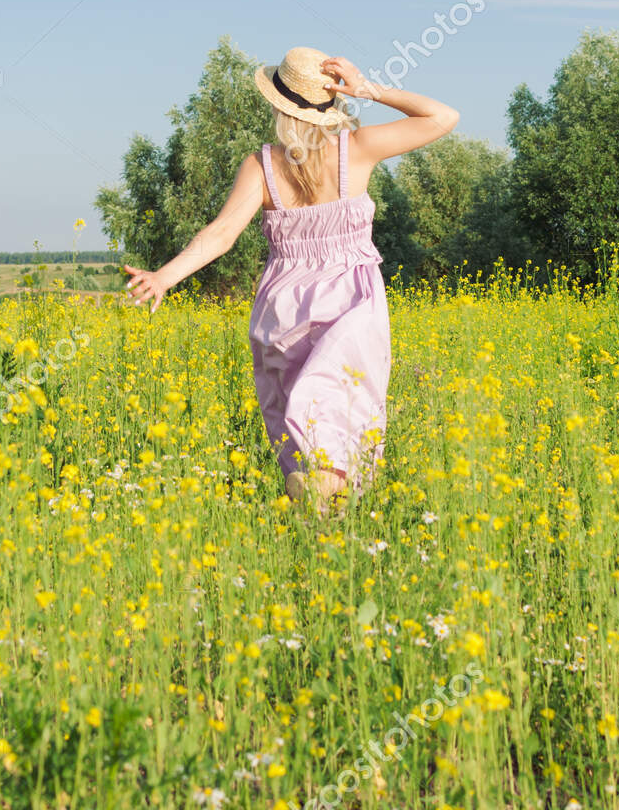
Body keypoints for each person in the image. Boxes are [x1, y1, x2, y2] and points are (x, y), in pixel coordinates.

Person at [123, 49, 459, 508]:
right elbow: (443, 116)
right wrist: (369, 90)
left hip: (282, 310)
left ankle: (315, 523)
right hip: (349, 304)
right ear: (330, 102)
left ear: (279, 106)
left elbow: (221, 235)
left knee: (303, 435)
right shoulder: (358, 149)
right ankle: (329, 508)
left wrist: (164, 276)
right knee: (347, 424)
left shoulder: (261, 167)